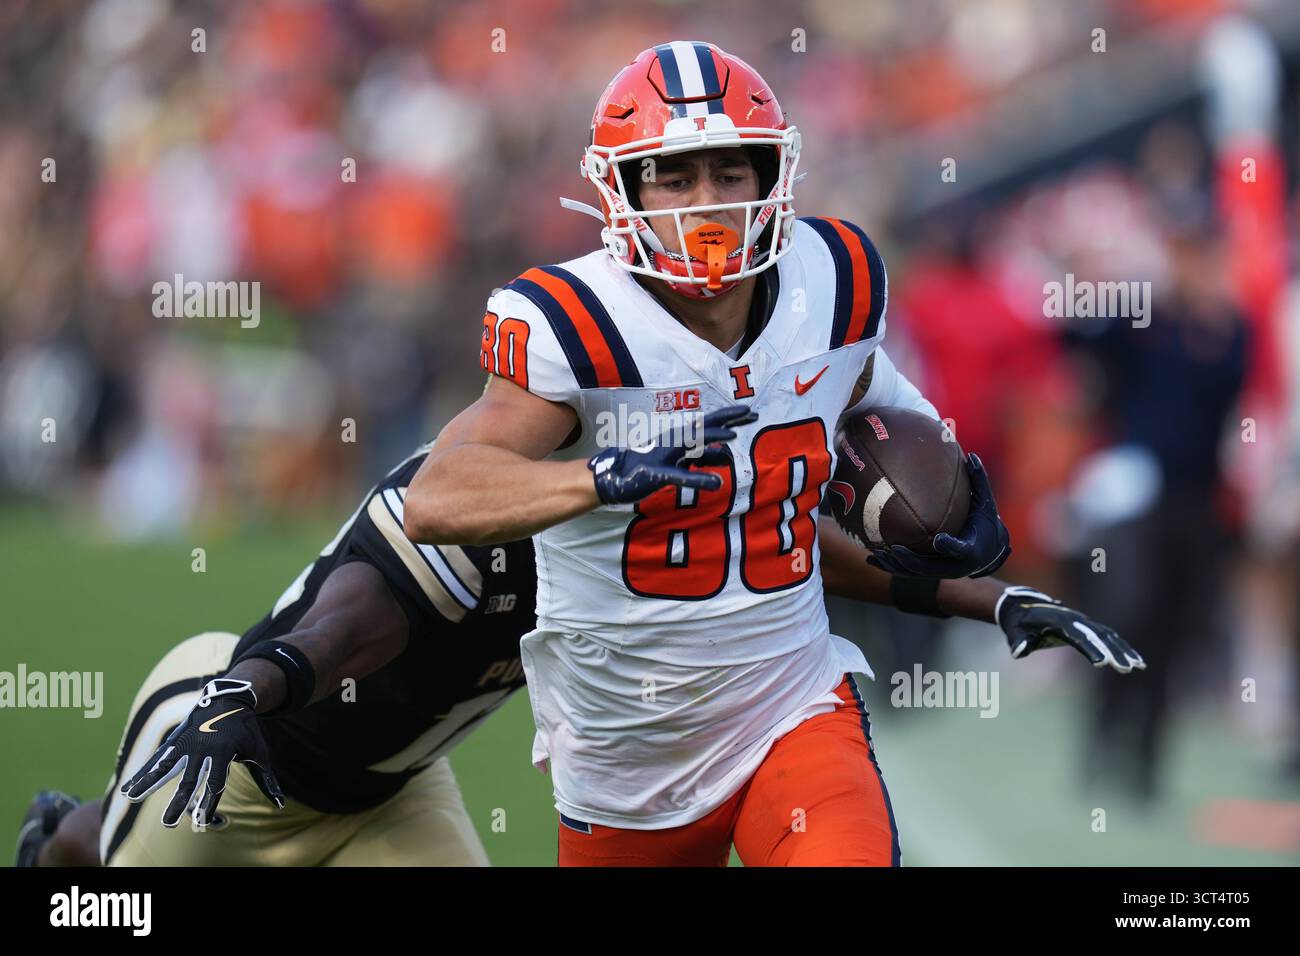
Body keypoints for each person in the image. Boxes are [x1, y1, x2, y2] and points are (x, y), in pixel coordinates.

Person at [403, 42, 1144, 866]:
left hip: (791, 709)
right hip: (624, 763)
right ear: (622, 189)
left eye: (731, 173)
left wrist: (976, 566)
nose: (706, 204)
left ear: (772, 178)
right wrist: (598, 478)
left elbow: (864, 451)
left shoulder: (832, 282)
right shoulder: (577, 324)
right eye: (674, 178)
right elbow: (439, 497)